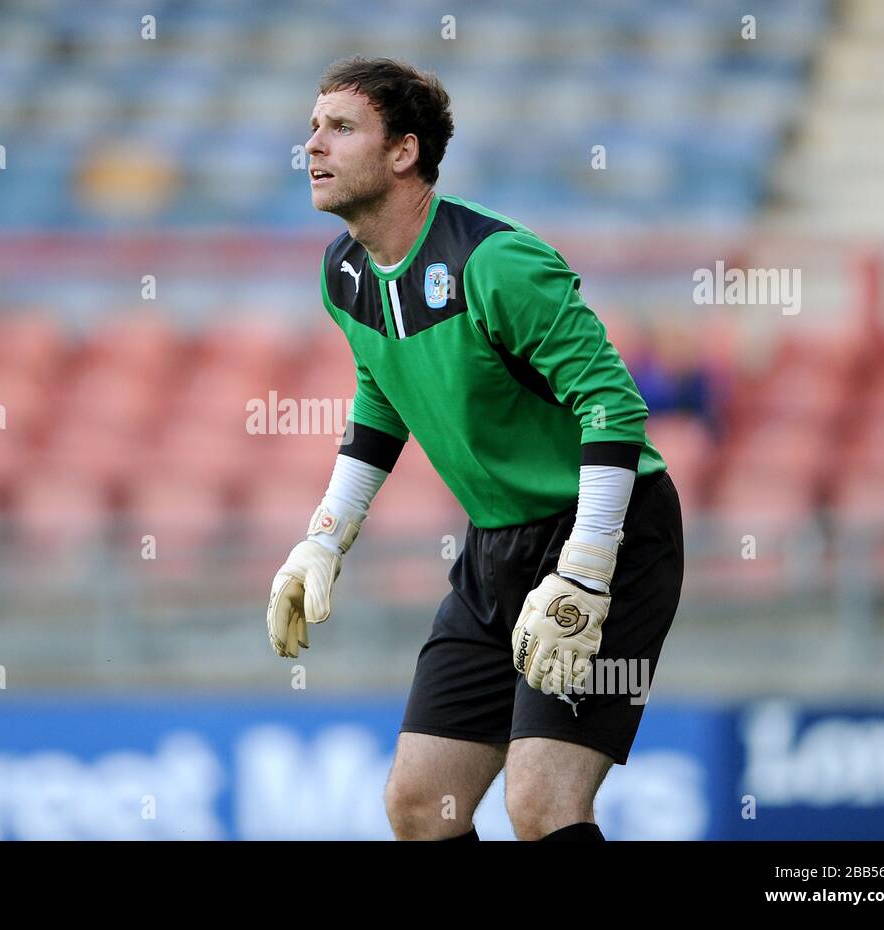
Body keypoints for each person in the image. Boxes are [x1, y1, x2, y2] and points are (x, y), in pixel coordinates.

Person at [266, 57, 685, 841]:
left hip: (609, 535)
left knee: (543, 804)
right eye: (313, 126)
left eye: (339, 127)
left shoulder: (495, 261)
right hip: (494, 546)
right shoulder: (344, 271)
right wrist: (322, 541)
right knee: (422, 805)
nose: (312, 144)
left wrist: (587, 570)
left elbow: (614, 407)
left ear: (403, 153)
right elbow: (380, 400)